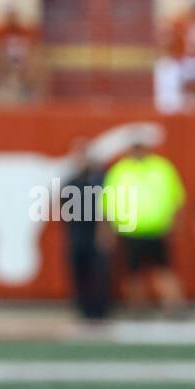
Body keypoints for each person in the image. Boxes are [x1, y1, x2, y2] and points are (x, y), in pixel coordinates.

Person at [102, 139, 187, 314]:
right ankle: (138, 308)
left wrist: (176, 224)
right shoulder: (120, 170)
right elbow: (108, 202)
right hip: (130, 230)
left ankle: (174, 307)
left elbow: (176, 198)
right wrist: (107, 230)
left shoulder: (161, 168)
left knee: (163, 270)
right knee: (133, 273)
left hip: (157, 229)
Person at [61, 138, 113, 321]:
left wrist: (106, 231)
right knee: (79, 272)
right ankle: (82, 309)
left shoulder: (100, 180)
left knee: (98, 271)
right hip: (77, 233)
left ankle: (99, 309)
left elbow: (108, 207)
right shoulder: (70, 181)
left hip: (95, 233)